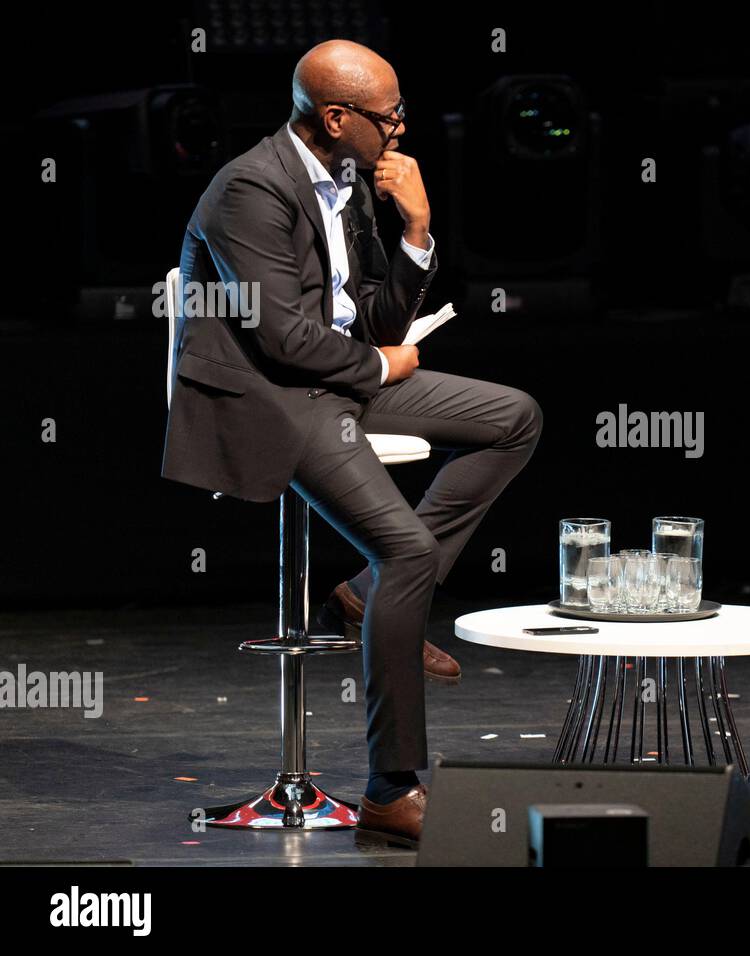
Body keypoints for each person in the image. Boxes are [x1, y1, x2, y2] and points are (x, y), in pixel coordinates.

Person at [162, 39, 543, 846]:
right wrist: (380, 362)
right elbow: (285, 339)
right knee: (409, 551)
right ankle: (390, 788)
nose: (400, 129)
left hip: (337, 381)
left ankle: (367, 595)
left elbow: (379, 319)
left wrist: (417, 230)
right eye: (388, 115)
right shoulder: (249, 189)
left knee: (514, 416)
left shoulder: (350, 181)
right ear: (336, 118)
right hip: (269, 398)